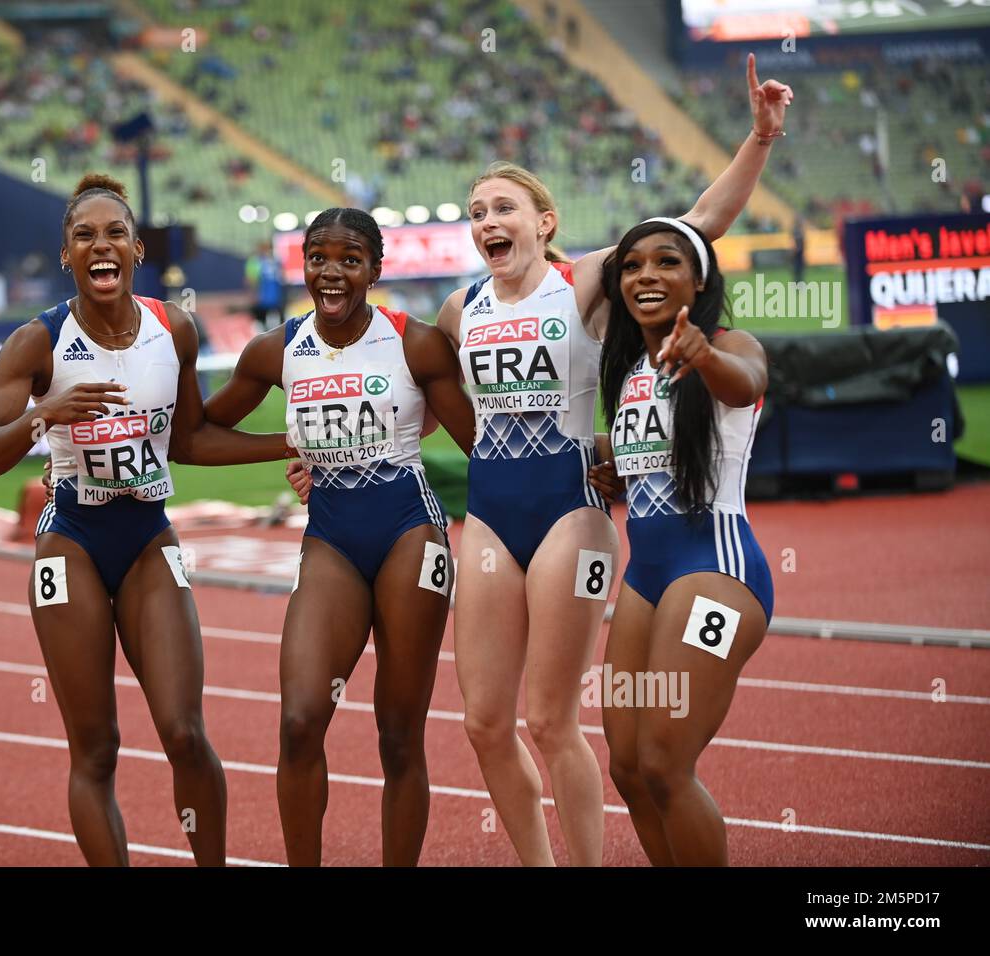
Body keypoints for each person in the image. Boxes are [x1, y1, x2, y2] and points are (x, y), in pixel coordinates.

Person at [432, 54, 791, 866]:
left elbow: (699, 223)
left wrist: (760, 139)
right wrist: (322, 455)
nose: (489, 219)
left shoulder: (589, 278)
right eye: (476, 210)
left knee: (577, 730)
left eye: (505, 207)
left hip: (583, 524)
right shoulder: (462, 307)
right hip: (503, 519)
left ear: (545, 220)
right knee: (498, 727)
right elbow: (413, 388)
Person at [0, 173, 293, 866]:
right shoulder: (37, 343)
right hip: (72, 543)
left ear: (137, 249)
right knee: (97, 748)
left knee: (183, 732)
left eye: (114, 232)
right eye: (84, 235)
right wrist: (42, 414)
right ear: (67, 256)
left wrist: (292, 441)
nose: (100, 245)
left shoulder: (174, 330)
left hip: (148, 535)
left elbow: (190, 440)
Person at [205, 207, 476, 865]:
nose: (331, 272)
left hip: (411, 532)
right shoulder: (276, 349)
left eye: (349, 259)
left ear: (374, 270)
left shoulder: (415, 342)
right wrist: (286, 443)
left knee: (398, 735)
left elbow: (475, 441)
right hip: (330, 538)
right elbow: (194, 435)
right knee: (300, 722)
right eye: (318, 257)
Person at [594, 217, 772, 866]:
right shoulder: (629, 369)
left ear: (698, 280)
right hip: (646, 579)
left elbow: (746, 385)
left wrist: (703, 355)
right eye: (633, 265)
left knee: (666, 764)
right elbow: (644, 453)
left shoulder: (732, 343)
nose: (646, 276)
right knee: (628, 766)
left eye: (666, 262)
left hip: (716, 577)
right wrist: (604, 459)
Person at [245, 240, 285, 331]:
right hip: (266, 296)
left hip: (271, 296)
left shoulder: (260, 262)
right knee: (265, 318)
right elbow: (251, 280)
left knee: (272, 318)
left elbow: (251, 280)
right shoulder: (257, 261)